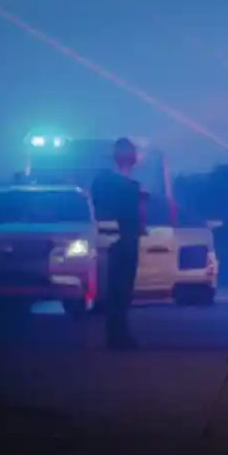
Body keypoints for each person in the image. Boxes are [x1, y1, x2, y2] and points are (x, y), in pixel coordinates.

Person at [90, 137, 146, 350]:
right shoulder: (117, 183)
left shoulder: (109, 182)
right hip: (119, 240)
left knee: (121, 290)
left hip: (120, 238)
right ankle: (117, 336)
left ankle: (118, 334)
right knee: (119, 289)